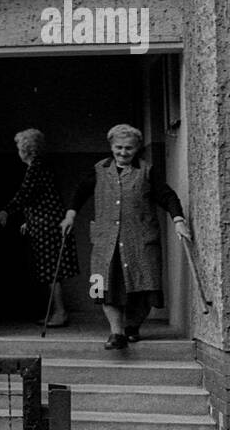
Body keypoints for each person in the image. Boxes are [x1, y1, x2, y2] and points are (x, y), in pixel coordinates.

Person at [61, 124, 192, 350]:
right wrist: (70, 215)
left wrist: (178, 221)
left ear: (137, 148)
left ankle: (132, 327)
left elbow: (168, 196)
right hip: (106, 242)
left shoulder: (147, 171)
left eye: (129, 148)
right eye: (119, 147)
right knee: (104, 288)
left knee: (143, 290)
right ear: (111, 147)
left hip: (140, 242)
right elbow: (81, 191)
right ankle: (116, 333)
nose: (123, 152)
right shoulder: (100, 169)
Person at [0, 129, 77, 327]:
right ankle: (58, 311)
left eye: (19, 148)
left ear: (25, 149)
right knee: (51, 272)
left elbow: (25, 193)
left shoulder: (36, 167)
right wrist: (29, 220)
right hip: (48, 222)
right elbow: (41, 198)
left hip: (47, 226)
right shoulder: (41, 166)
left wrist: (6, 211)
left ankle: (60, 312)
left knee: (51, 272)